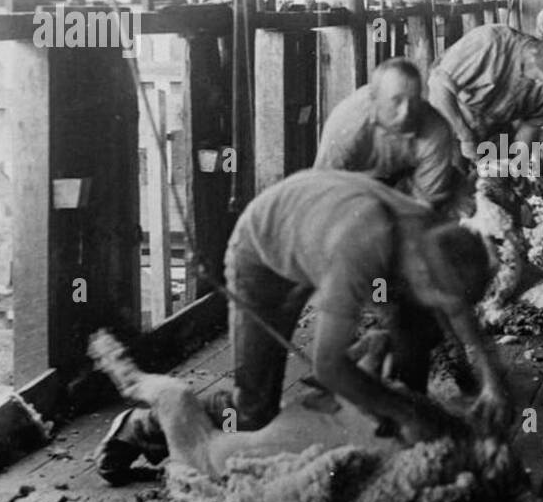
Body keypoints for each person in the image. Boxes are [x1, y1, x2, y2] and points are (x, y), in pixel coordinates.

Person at [96, 171, 510, 482]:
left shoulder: (432, 230)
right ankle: (141, 426)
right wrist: (404, 409)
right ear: (418, 269)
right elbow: (328, 365)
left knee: (413, 328)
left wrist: (492, 378)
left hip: (316, 221)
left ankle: (399, 421)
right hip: (263, 253)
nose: (453, 311)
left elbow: (452, 300)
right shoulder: (360, 251)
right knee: (254, 408)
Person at [314, 57, 461, 213]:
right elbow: (324, 188)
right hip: (354, 185)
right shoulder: (347, 123)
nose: (405, 112)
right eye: (396, 101)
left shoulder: (436, 130)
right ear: (374, 99)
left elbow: (425, 205)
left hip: (408, 183)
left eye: (414, 101)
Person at [428, 23, 543, 163]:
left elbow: (530, 127)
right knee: (447, 180)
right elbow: (438, 86)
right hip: (451, 121)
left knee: (494, 183)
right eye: (539, 76)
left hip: (493, 132)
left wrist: (518, 165)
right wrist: (465, 137)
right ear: (533, 54)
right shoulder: (491, 42)